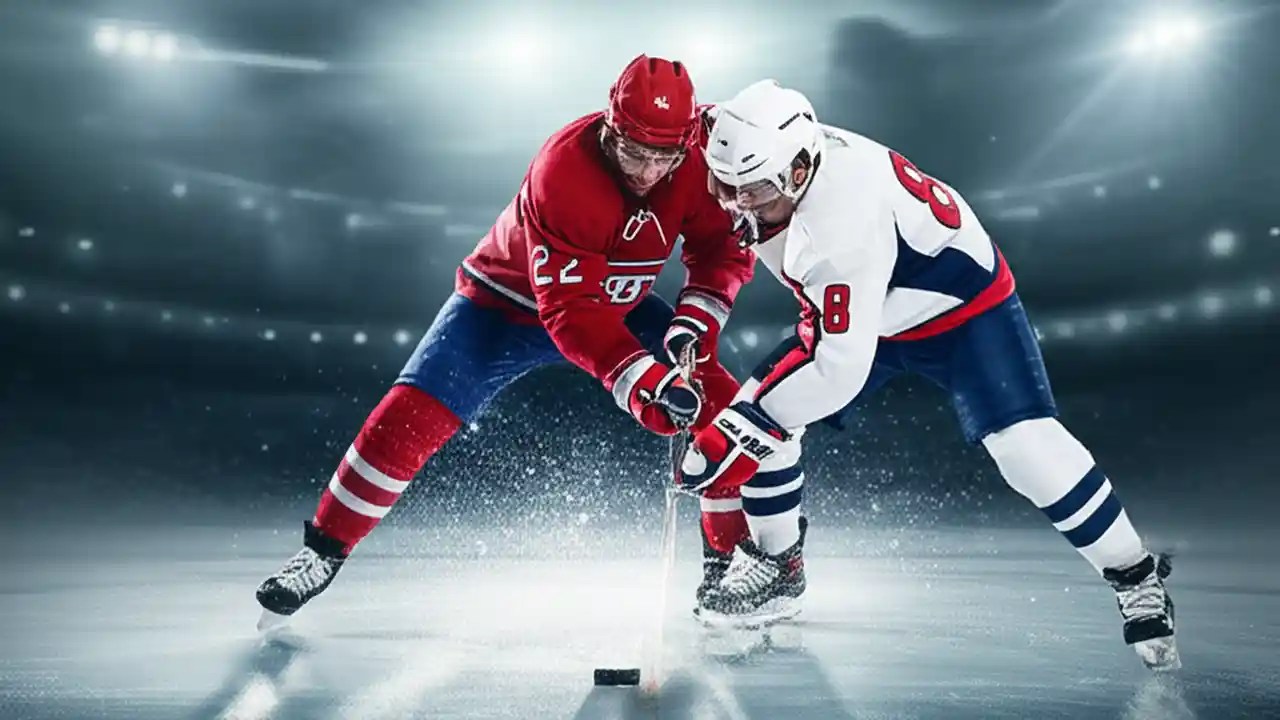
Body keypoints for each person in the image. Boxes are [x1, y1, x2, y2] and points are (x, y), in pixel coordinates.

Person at [676, 79, 1179, 671]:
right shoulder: (752, 146)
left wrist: (732, 434)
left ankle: (1133, 573)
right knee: (764, 412)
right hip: (866, 307)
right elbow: (682, 124)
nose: (736, 206)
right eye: (723, 187)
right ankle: (779, 566)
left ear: (800, 169)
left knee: (1026, 449)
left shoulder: (840, 227)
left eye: (753, 191)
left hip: (959, 311)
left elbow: (837, 371)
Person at [255, 55, 757, 622]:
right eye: (633, 152)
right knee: (404, 420)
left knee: (729, 411)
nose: (646, 172)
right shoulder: (563, 171)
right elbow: (572, 314)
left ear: (688, 140)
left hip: (619, 305)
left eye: (662, 157)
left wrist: (696, 321)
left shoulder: (703, 154)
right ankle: (321, 551)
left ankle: (732, 556)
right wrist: (642, 387)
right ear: (609, 127)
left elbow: (723, 249)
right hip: (504, 308)